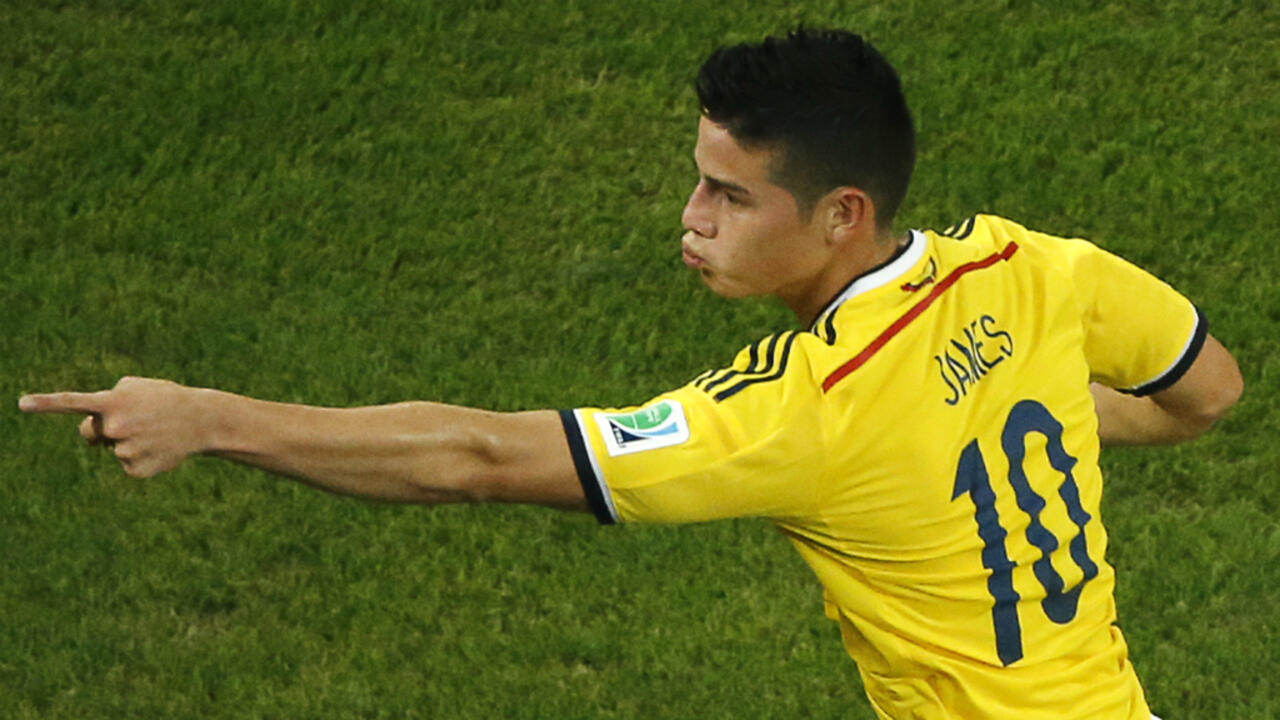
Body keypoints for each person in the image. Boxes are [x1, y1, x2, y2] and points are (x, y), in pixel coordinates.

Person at [20, 28, 1243, 720]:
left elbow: (477, 459)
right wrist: (1020, 409)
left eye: (729, 195)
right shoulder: (1035, 269)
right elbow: (1206, 394)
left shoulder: (802, 416)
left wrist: (208, 418)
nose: (690, 218)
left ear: (840, 213)